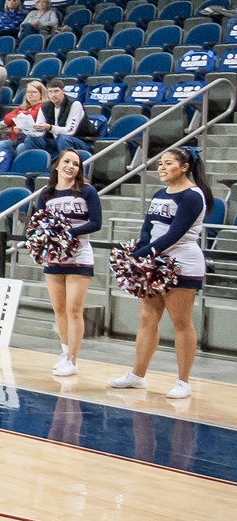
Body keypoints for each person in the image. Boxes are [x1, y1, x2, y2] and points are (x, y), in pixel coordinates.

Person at [108, 149, 211, 400]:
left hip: (181, 262)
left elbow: (174, 234)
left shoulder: (193, 196)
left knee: (181, 322)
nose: (161, 168)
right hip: (154, 262)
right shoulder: (159, 193)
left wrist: (141, 254)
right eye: (160, 163)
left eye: (168, 163)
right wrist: (140, 250)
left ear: (184, 166)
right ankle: (137, 375)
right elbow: (148, 228)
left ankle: (183, 382)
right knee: (147, 319)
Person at [34, 150, 101, 378]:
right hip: (55, 257)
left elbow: (96, 223)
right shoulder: (47, 194)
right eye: (66, 161)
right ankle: (64, 352)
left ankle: (73, 359)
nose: (71, 166)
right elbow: (39, 224)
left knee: (74, 309)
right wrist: (46, 240)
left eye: (76, 163)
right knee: (59, 309)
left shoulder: (87, 191)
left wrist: (67, 232)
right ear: (57, 166)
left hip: (79, 255)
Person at [20, 80, 92, 156]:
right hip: (55, 140)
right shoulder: (45, 107)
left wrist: (50, 127)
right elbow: (39, 132)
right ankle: (37, 165)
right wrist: (25, 130)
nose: (53, 95)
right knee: (31, 139)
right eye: (50, 92)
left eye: (56, 91)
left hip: (80, 140)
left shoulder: (75, 104)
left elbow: (70, 131)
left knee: (63, 138)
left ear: (63, 91)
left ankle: (63, 164)